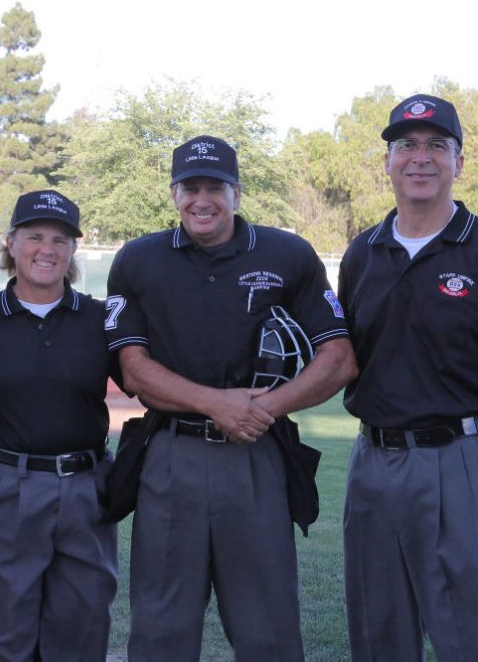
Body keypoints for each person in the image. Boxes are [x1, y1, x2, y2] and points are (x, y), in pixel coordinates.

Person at [104, 135, 357, 661]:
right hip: (171, 455)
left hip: (257, 453)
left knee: (267, 630)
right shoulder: (138, 259)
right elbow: (133, 369)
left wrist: (260, 409)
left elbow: (338, 358)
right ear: (174, 194)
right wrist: (215, 403)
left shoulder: (287, 254)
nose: (202, 200)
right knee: (160, 630)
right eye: (189, 187)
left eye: (215, 187)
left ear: (237, 192)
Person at [337, 94, 478, 661]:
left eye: (438, 145)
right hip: (373, 462)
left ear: (459, 162)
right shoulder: (362, 252)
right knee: (378, 631)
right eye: (406, 145)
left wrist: (475, 434)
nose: (420, 157)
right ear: (386, 161)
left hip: (460, 461)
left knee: (472, 636)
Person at [0, 190, 118, 662]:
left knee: (82, 629)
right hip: (2, 485)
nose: (47, 249)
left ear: (72, 252)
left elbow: (148, 379)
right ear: (10, 243)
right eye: (34, 237)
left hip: (85, 489)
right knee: (0, 633)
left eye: (60, 240)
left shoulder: (99, 318)